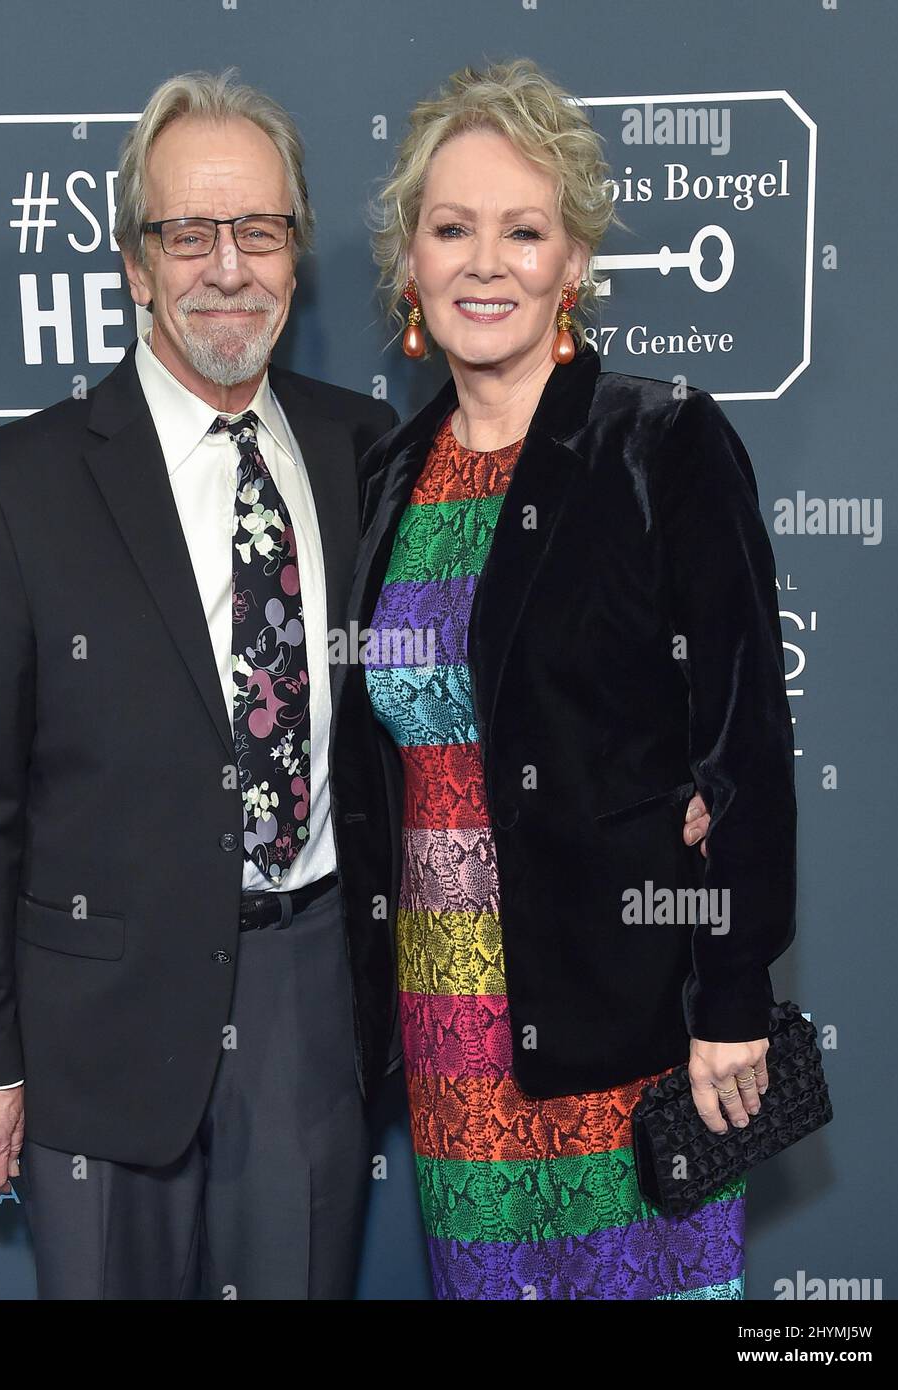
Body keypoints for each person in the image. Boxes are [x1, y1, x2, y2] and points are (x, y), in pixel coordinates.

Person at [0, 69, 401, 1300]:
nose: (226, 267)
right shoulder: (12, 487)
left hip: (308, 1002)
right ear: (136, 263)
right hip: (95, 1029)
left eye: (260, 231)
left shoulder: (371, 455)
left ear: (295, 257)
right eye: (189, 233)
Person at [332, 59, 797, 1300]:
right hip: (450, 1033)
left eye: (523, 230)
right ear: (412, 267)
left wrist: (732, 993)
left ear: (572, 261)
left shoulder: (662, 441)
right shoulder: (392, 476)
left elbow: (741, 742)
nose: (487, 261)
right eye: (452, 228)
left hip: (626, 1011)